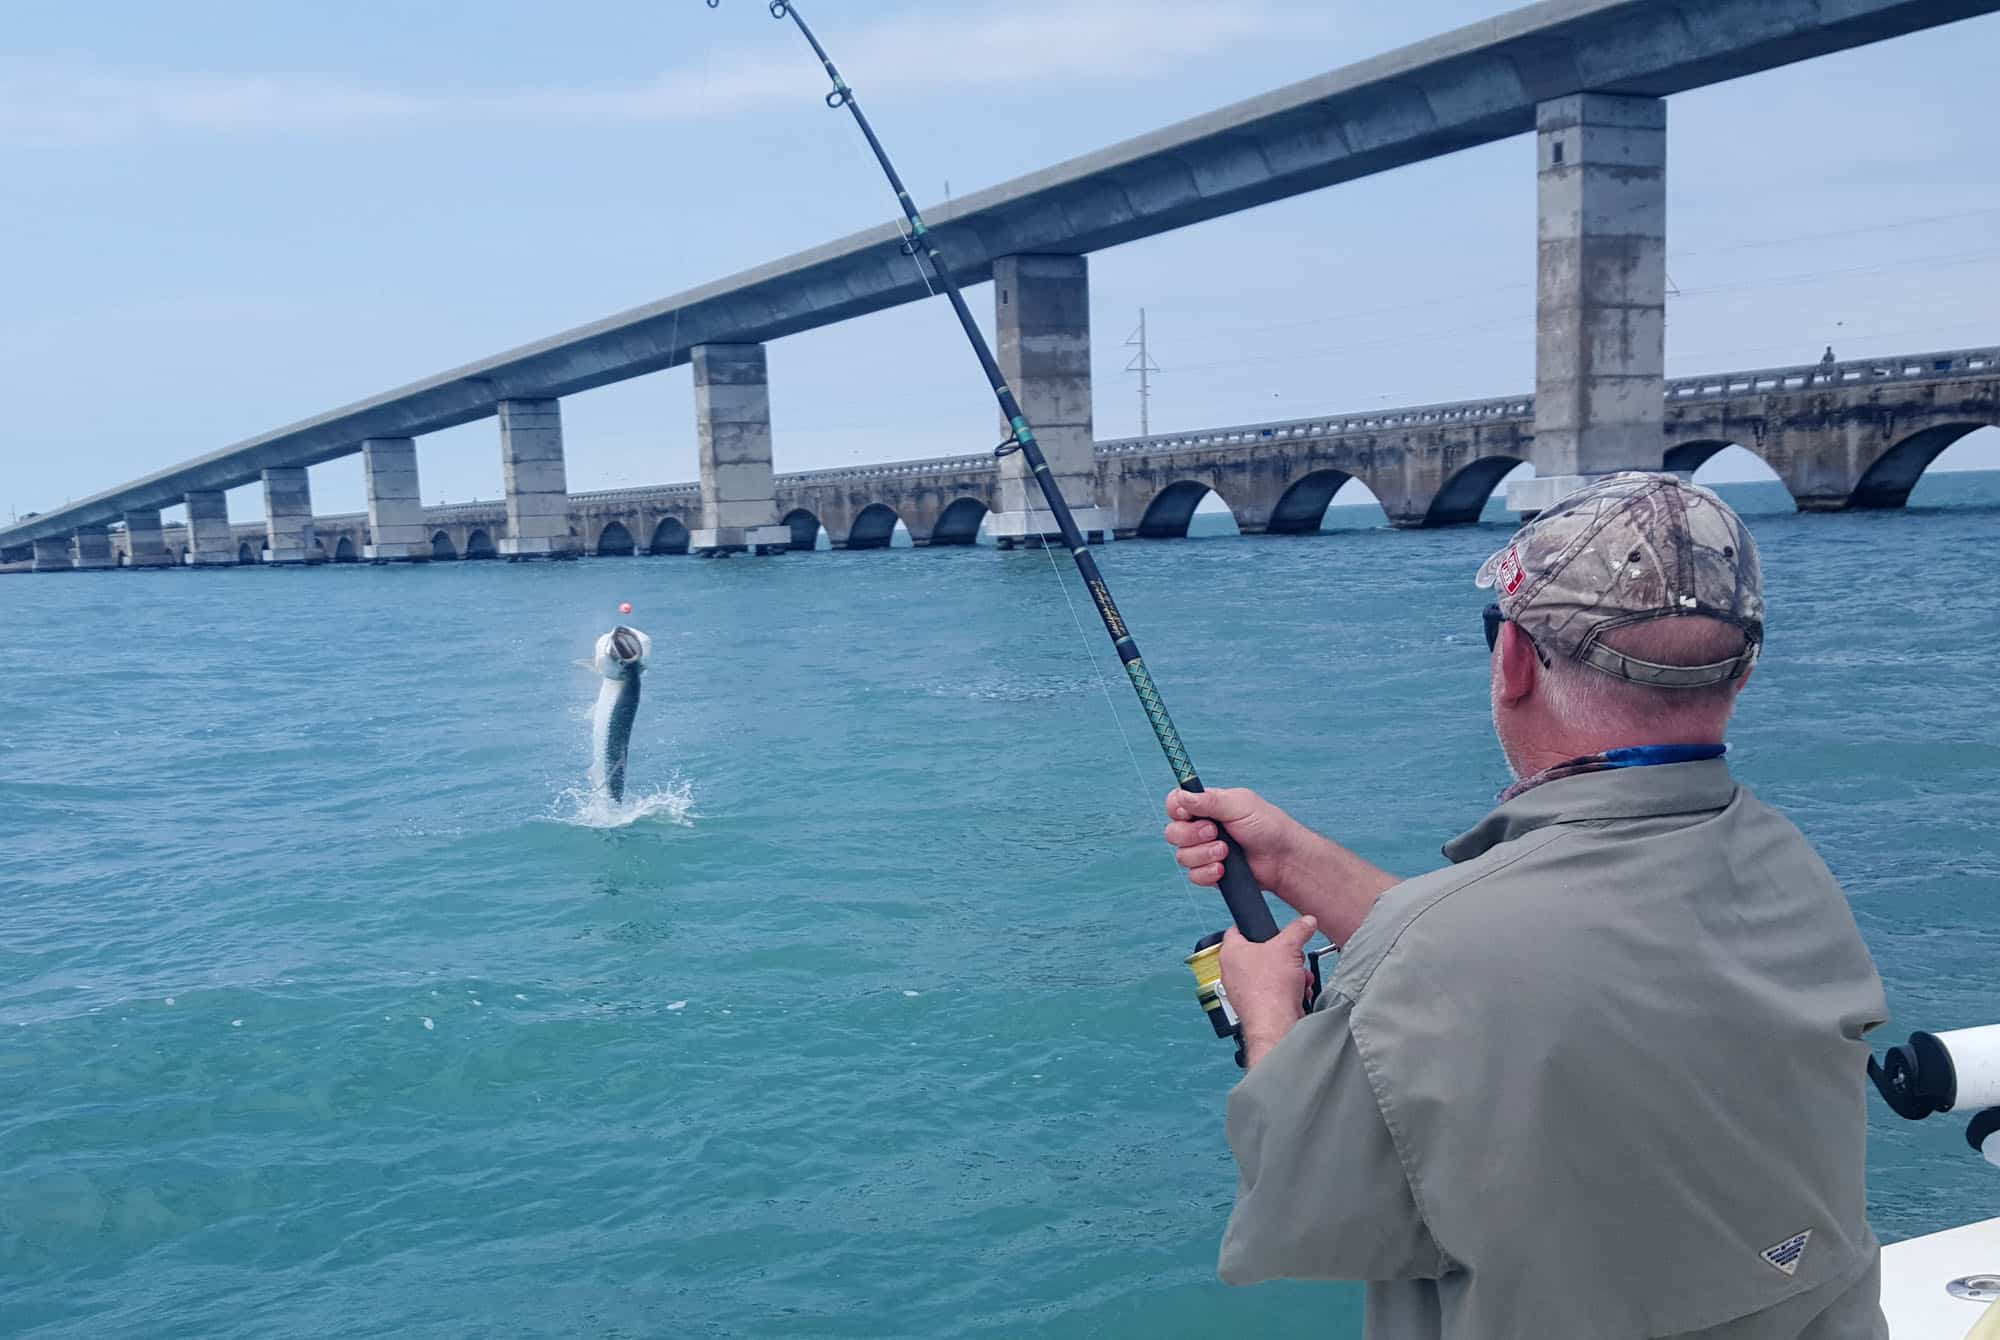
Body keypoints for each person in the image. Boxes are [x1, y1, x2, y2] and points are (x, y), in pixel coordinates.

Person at [1163, 472, 1888, 1338]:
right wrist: (1289, 858)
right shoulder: (1787, 863)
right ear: (1743, 670)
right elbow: (1515, 964)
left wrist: (1268, 1016)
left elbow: (1303, 1203)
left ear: (1511, 661)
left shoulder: (1443, 946)